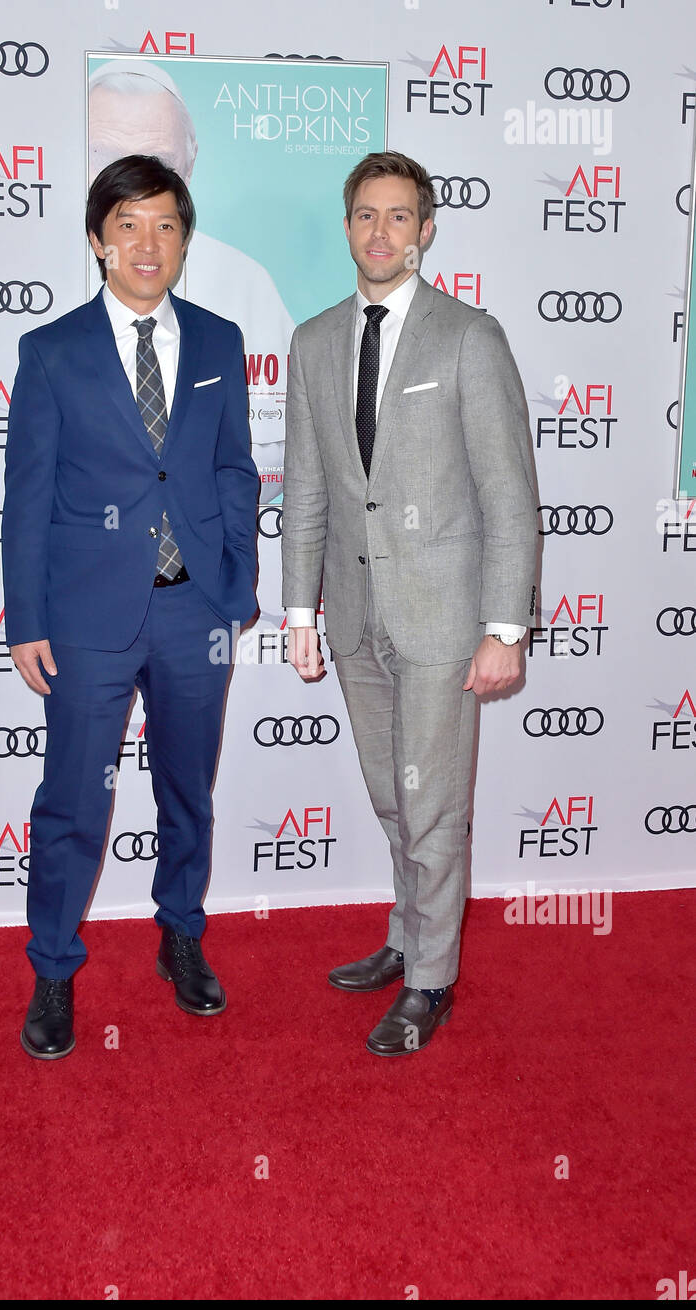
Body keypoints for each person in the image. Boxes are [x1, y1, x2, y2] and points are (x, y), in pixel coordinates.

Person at [281, 151, 538, 1057]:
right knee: (395, 796)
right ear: (346, 227)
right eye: (364, 216)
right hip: (353, 617)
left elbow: (509, 495)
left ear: (426, 229)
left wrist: (504, 627)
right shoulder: (313, 343)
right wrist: (300, 613)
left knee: (432, 804)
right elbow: (307, 489)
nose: (380, 233)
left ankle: (432, 978)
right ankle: (406, 934)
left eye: (399, 216)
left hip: (441, 621)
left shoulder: (470, 337)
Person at [2, 155, 259, 1059]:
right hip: (85, 620)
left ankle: (180, 934)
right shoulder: (53, 351)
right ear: (98, 239)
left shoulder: (221, 341)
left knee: (188, 789)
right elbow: (28, 495)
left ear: (184, 240)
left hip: (196, 612)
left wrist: (237, 585)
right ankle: (54, 969)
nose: (148, 244)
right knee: (72, 800)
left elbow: (235, 469)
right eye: (129, 226)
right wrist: (26, 618)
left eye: (166, 226)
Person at [88, 57, 294, 503]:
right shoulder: (50, 346)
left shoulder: (243, 290)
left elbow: (263, 461)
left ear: (190, 159)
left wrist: (235, 566)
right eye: (104, 157)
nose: (133, 181)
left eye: (158, 161)